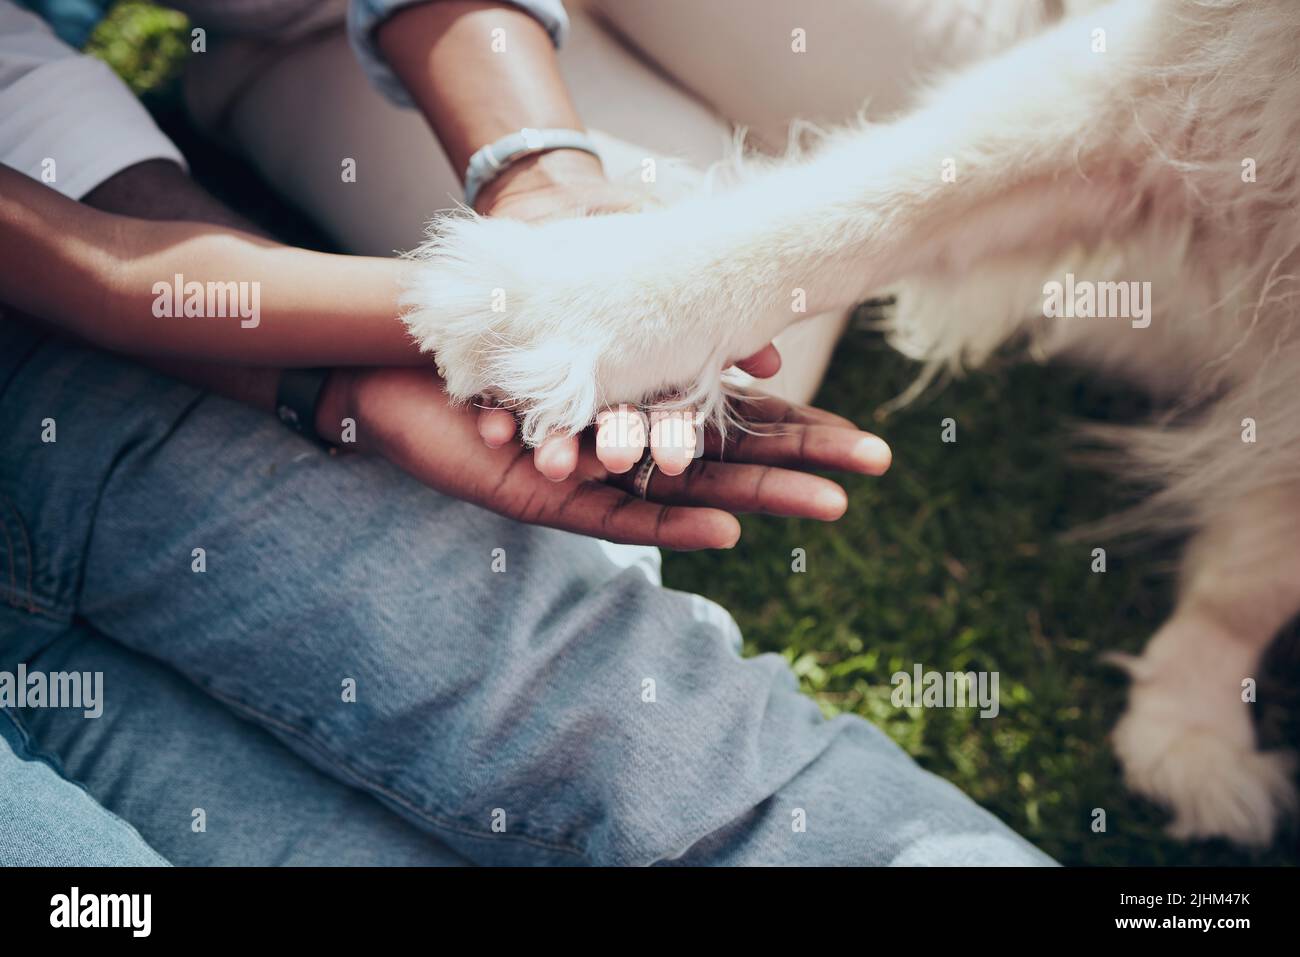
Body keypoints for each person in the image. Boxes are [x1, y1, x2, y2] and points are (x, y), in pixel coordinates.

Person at [0, 0, 1052, 864]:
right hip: (64, 339)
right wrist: (506, 307)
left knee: (668, 747)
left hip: (61, 379)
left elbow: (33, 126)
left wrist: (539, 186)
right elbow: (91, 271)